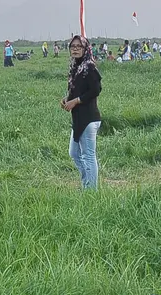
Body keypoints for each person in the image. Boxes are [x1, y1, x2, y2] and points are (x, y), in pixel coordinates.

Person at [63, 36, 102, 190]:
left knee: (88, 156)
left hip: (89, 118)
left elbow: (95, 90)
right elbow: (77, 90)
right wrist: (67, 99)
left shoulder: (89, 67)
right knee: (74, 153)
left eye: (79, 46)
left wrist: (76, 101)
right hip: (78, 118)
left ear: (85, 49)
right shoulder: (75, 67)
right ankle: (87, 184)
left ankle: (91, 191)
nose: (76, 49)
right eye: (73, 46)